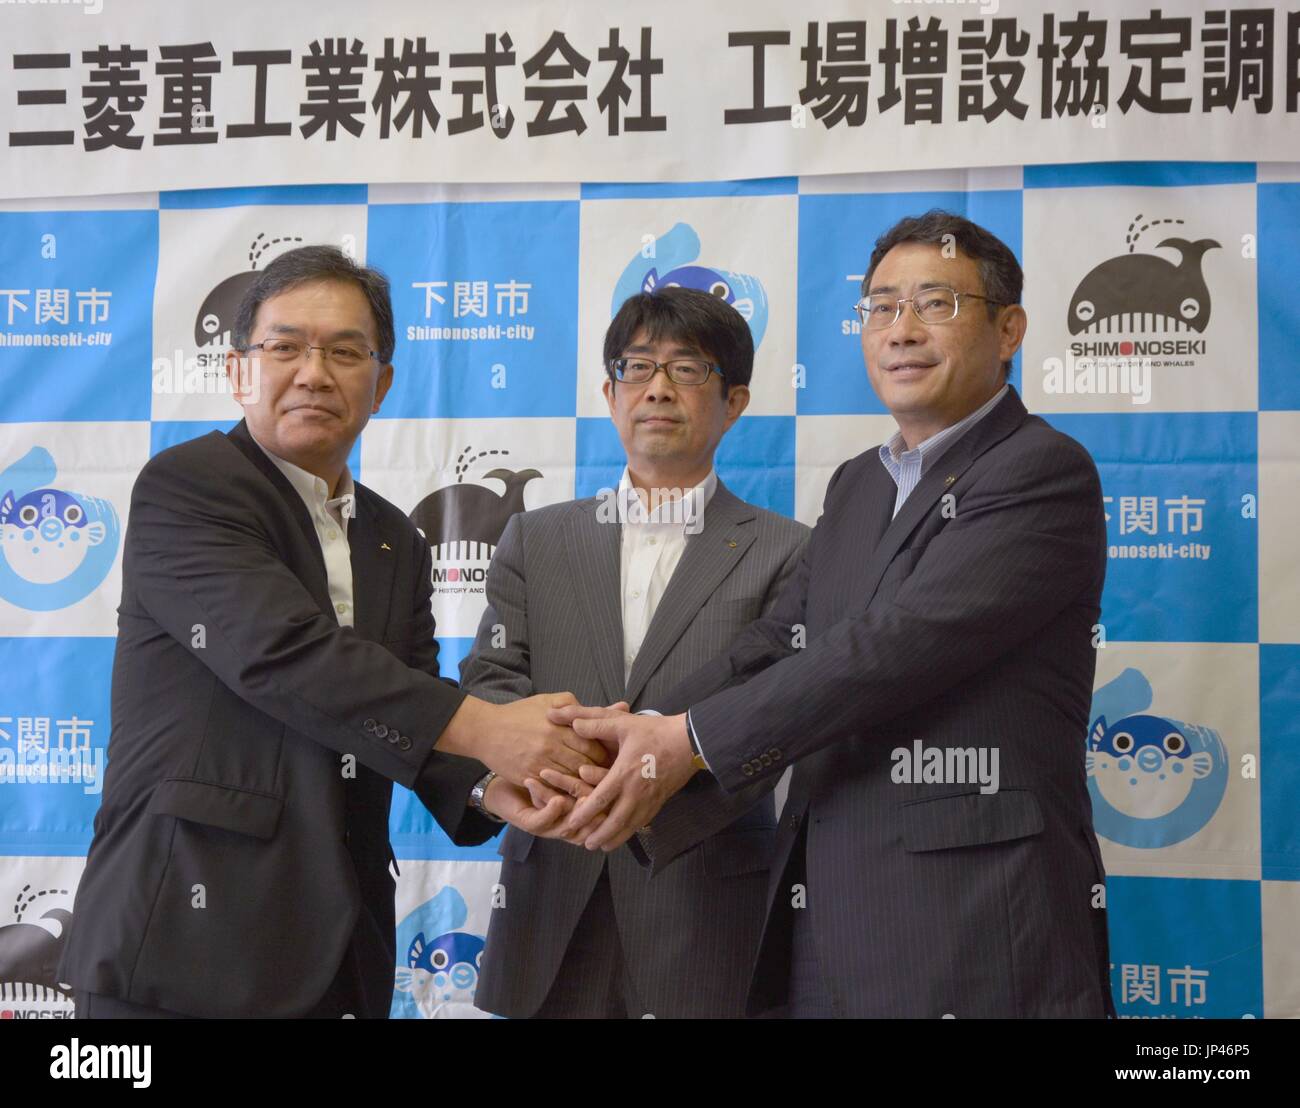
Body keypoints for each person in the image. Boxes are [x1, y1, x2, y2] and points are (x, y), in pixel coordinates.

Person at [547, 211, 1115, 1018]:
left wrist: (686, 743)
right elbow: (776, 645)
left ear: (1009, 328)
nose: (902, 330)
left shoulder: (1041, 471)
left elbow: (894, 650)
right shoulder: (858, 484)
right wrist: (622, 739)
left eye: (936, 305)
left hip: (976, 916)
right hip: (820, 908)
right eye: (880, 307)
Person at [58, 246, 603, 1019]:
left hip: (341, 950)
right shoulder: (187, 487)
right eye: (284, 347)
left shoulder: (394, 537)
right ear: (238, 371)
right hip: (182, 946)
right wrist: (489, 729)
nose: (314, 372)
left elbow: (405, 693)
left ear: (380, 386)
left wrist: (494, 782)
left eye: (345, 352)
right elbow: (281, 656)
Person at [459, 288, 808, 1018]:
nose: (658, 388)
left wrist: (650, 765)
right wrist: (569, 771)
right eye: (639, 366)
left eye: (687, 370)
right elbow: (490, 679)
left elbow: (776, 710)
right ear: (610, 391)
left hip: (706, 898)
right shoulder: (537, 537)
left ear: (734, 401)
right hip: (551, 883)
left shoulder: (788, 550)